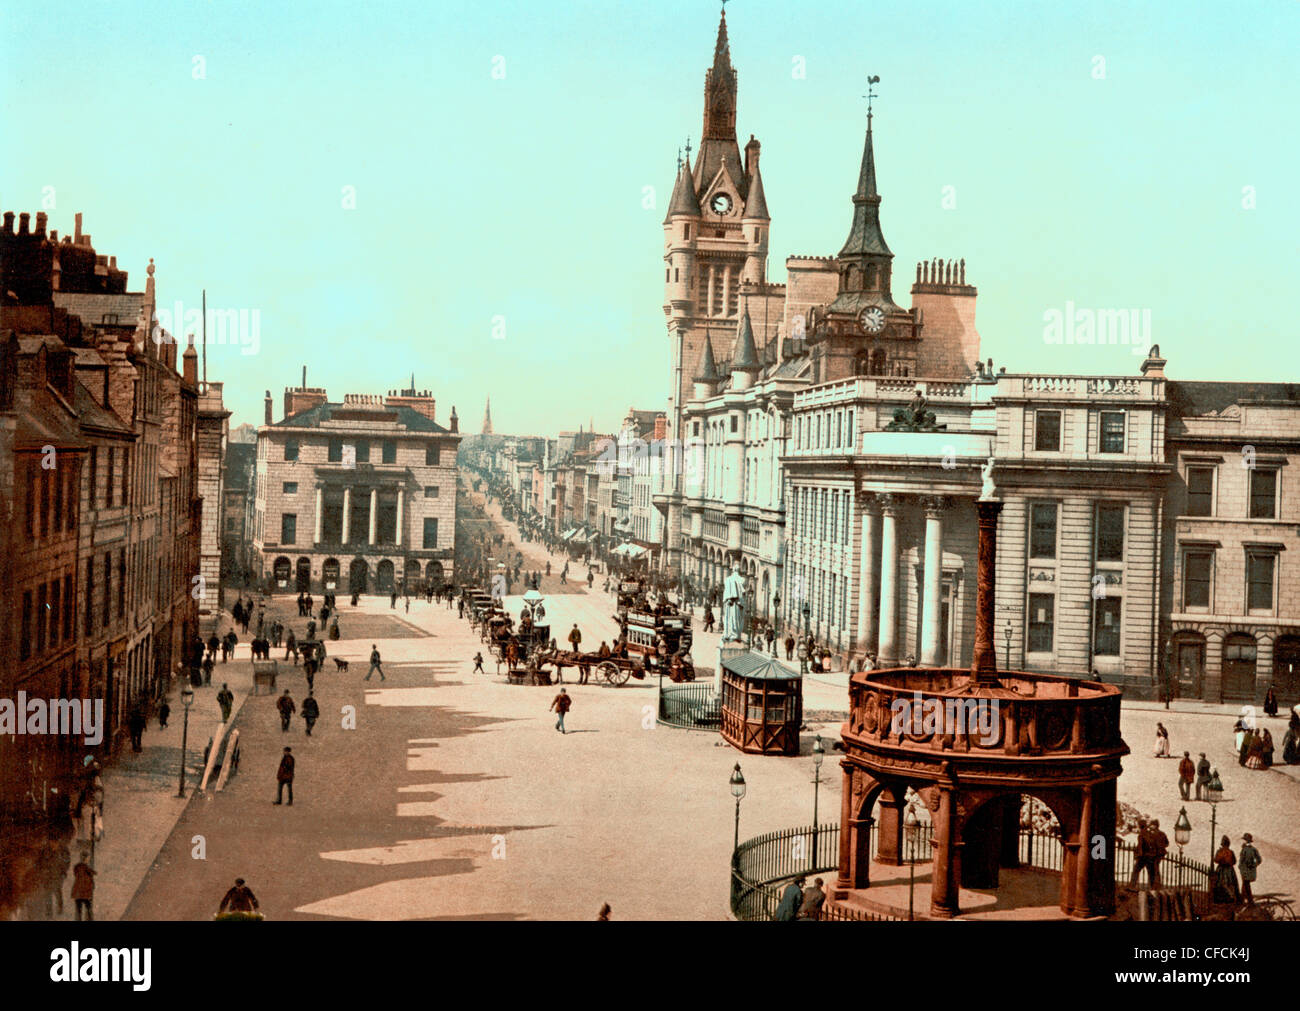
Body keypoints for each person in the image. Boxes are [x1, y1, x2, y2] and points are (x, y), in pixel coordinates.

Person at [1129, 819, 1157, 889]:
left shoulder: (1141, 835)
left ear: (1140, 826)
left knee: (1136, 871)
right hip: (1151, 856)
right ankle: (1153, 888)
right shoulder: (1149, 833)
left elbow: (1140, 846)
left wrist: (1138, 856)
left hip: (1144, 856)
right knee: (1151, 873)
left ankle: (1132, 886)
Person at [1212, 836, 1239, 905]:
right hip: (1229, 870)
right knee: (1230, 883)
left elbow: (1215, 860)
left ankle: (1220, 899)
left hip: (1221, 869)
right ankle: (1230, 898)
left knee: (1220, 883)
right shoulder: (1231, 852)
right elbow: (1234, 861)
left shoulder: (1220, 851)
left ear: (1222, 844)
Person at [71, 851, 95, 921]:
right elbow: (86, 880)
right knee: (88, 908)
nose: (88, 859)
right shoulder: (85, 868)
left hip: (78, 892)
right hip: (84, 892)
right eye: (87, 858)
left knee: (79, 910)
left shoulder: (78, 867)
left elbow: (76, 875)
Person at [1239, 833, 1262, 904]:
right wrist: (1254, 865)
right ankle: (1244, 899)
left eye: (1246, 840)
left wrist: (1254, 865)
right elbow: (1259, 860)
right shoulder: (1250, 849)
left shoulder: (1249, 849)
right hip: (1247, 870)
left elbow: (1259, 859)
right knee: (1245, 883)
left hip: (1247, 870)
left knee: (1246, 884)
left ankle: (1248, 900)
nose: (1245, 841)